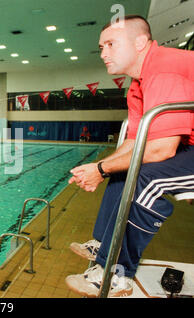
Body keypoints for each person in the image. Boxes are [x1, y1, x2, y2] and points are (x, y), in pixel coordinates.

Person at [65, 15, 194, 297]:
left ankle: (116, 274)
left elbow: (162, 149)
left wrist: (100, 169)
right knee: (124, 168)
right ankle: (105, 243)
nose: (103, 53)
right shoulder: (138, 84)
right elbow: (134, 143)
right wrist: (101, 169)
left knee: (146, 180)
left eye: (111, 44)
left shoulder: (164, 69)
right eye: (101, 47)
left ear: (140, 42)